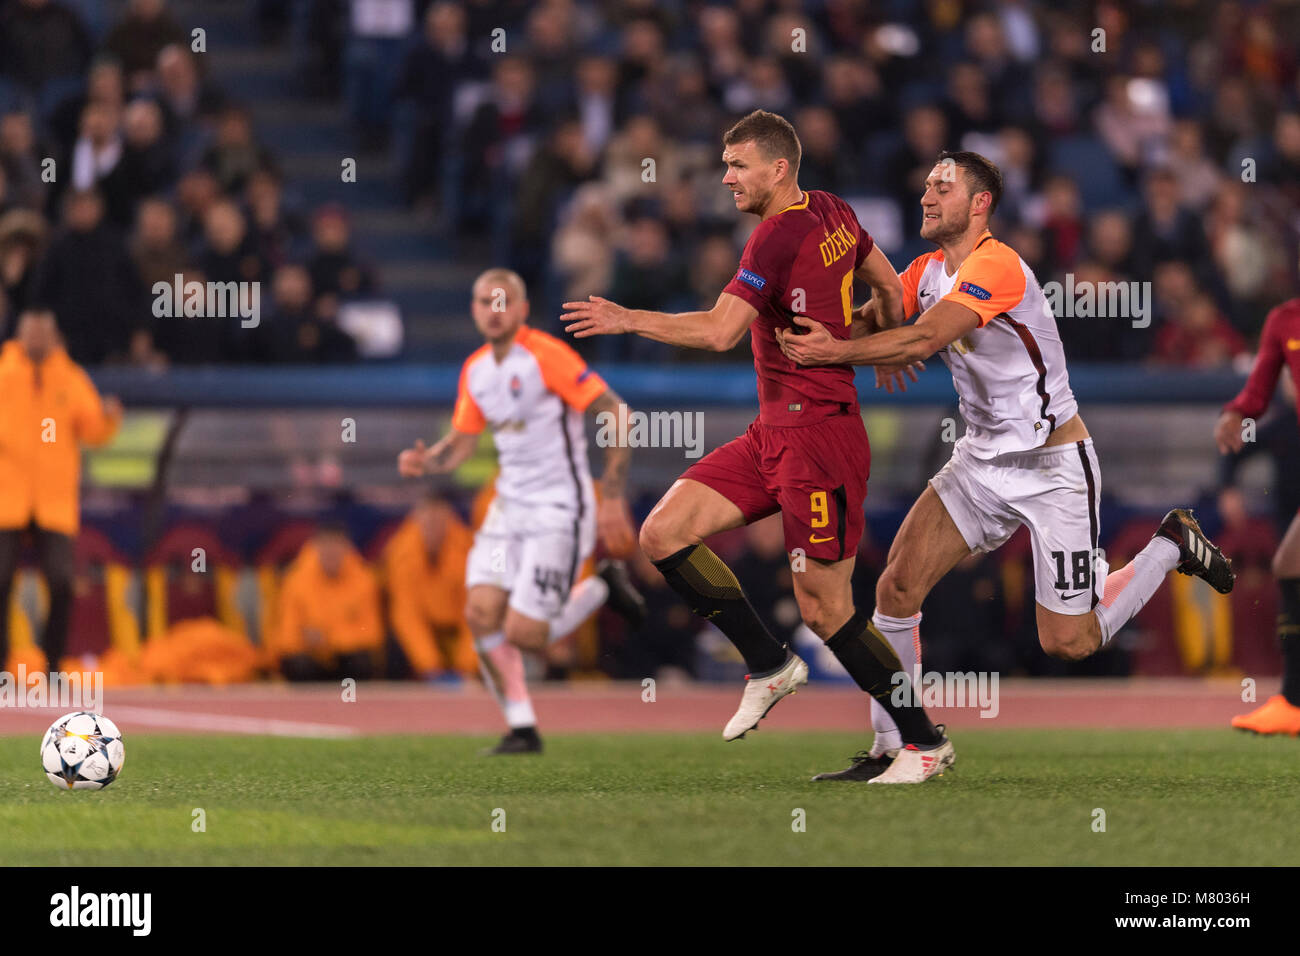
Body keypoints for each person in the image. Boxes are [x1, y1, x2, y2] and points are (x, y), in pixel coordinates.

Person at [776, 150, 1235, 778]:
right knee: (896, 588)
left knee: (1067, 641)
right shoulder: (927, 269)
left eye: (943, 186)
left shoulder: (999, 267)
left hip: (1053, 467)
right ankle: (898, 746)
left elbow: (922, 337)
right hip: (979, 462)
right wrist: (814, 326)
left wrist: (841, 351)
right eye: (926, 186)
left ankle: (1169, 544)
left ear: (980, 202)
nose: (927, 196)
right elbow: (883, 315)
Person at [563, 109, 953, 784]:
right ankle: (770, 664)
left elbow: (718, 332)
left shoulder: (772, 239)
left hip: (820, 437)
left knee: (826, 607)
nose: (726, 177)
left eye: (738, 165)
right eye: (725, 164)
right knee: (664, 533)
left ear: (778, 168)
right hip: (773, 431)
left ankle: (923, 742)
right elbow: (890, 287)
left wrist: (627, 318)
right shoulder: (833, 209)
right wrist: (875, 344)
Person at [398, 268, 646, 755]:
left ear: (521, 308)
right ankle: (522, 726)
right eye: (483, 302)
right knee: (480, 612)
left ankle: (601, 586)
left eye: (502, 301)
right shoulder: (476, 370)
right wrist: (428, 460)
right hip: (508, 511)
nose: (493, 311)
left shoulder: (546, 356)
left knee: (527, 634)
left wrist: (612, 496)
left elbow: (617, 413)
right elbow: (463, 444)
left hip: (558, 508)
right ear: (473, 311)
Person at [0, 306, 122, 673]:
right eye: (31, 332)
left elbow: (93, 431)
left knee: (62, 581)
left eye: (43, 332)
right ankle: (2, 664)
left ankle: (52, 663)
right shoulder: (4, 374)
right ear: (20, 335)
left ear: (53, 337)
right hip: (7, 496)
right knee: (1, 581)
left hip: (54, 499)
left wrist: (110, 417)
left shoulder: (70, 378)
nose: (37, 339)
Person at [1214, 255, 1300, 736]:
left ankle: (1293, 700)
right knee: (1290, 564)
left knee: (1291, 564)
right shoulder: (1284, 321)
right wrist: (1235, 412)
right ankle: (1292, 701)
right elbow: (1261, 387)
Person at [381, 493, 479, 681]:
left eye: (439, 521)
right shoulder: (401, 554)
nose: (433, 529)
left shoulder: (469, 550)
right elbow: (407, 615)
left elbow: (476, 614)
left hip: (458, 633)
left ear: (449, 520)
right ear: (417, 521)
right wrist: (430, 666)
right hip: (425, 633)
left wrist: (466, 667)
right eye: (427, 522)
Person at [275, 523, 384, 681]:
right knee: (298, 664)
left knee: (361, 662)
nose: (331, 552)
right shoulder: (296, 581)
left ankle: (350, 701)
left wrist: (327, 639)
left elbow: (371, 634)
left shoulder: (364, 581)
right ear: (315, 547)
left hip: (345, 658)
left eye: (336, 546)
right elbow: (286, 635)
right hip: (310, 658)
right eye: (325, 545)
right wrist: (305, 640)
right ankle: (308, 705)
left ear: (346, 548)